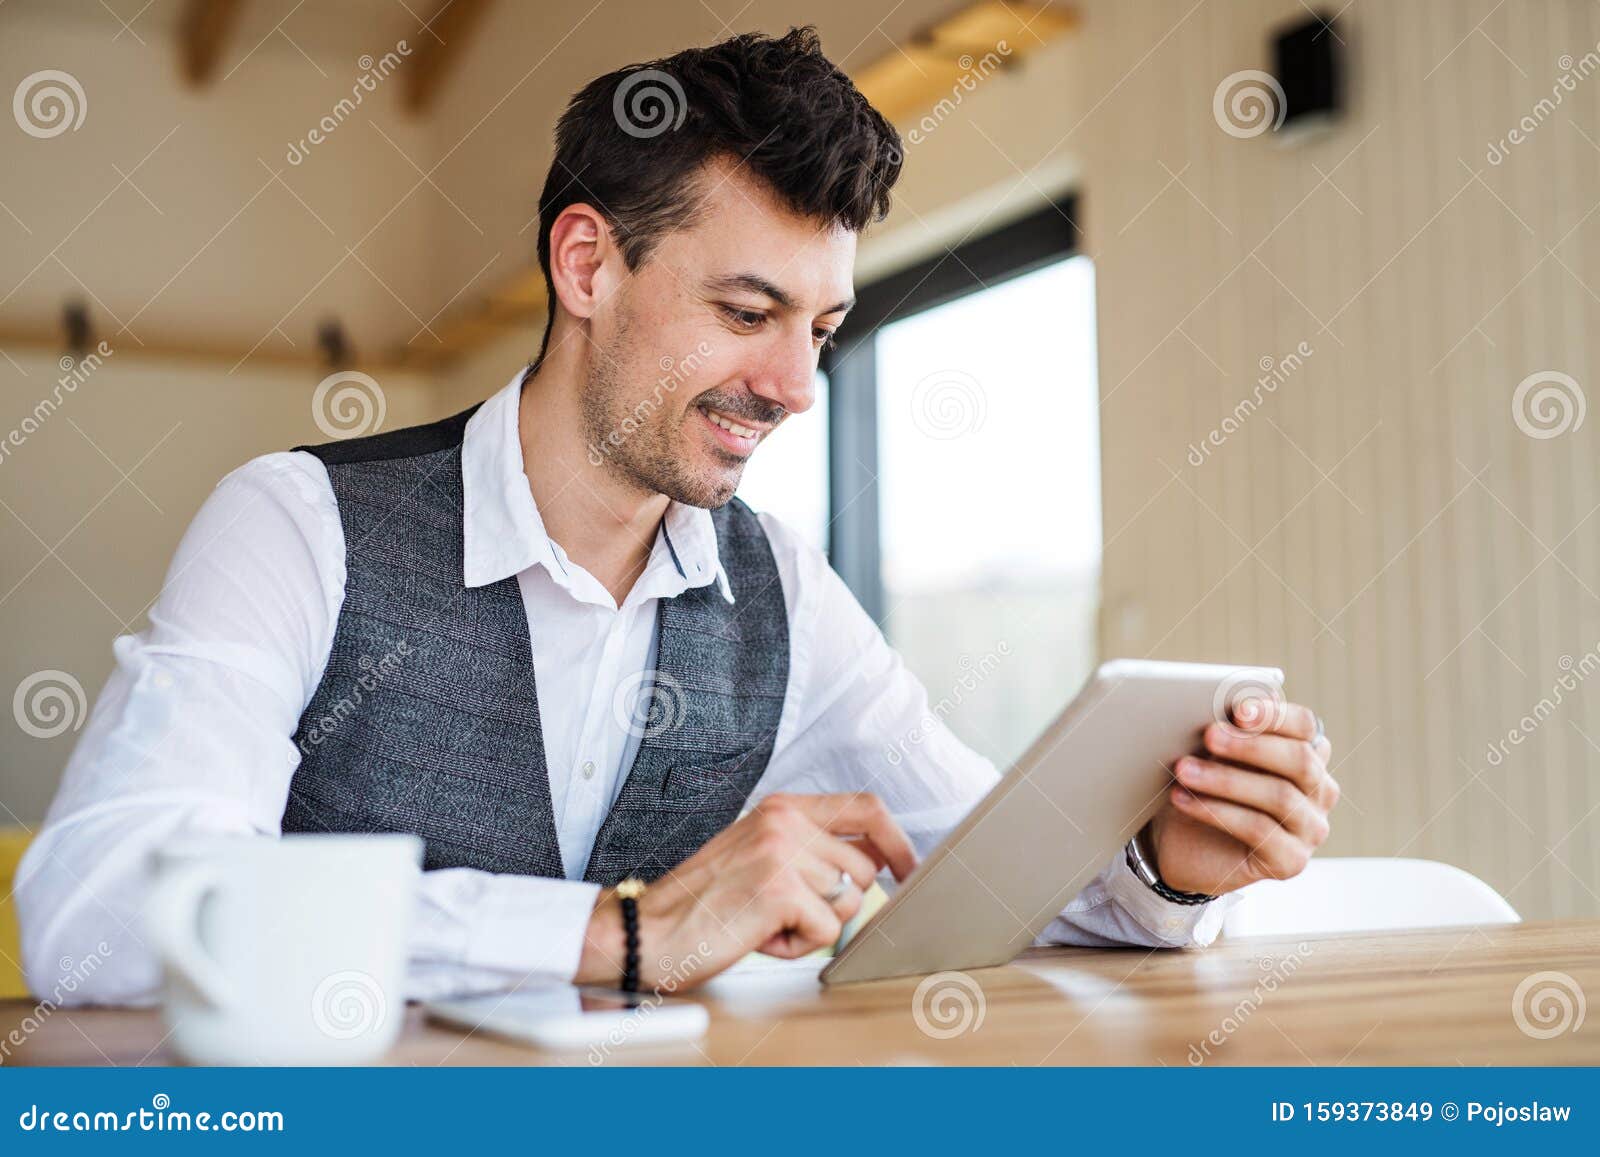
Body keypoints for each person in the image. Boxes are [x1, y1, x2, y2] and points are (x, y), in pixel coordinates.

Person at [16, 27, 1338, 1002]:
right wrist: (617, 934)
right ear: (588, 262)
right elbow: (97, 908)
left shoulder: (781, 594)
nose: (794, 387)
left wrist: (1172, 862)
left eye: (821, 329)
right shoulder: (299, 525)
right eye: (748, 313)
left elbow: (995, 879)